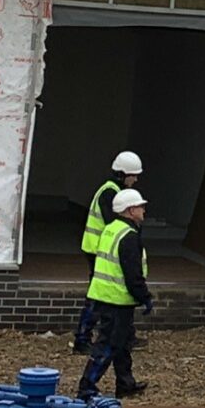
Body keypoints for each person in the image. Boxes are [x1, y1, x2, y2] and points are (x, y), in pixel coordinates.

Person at [79, 188, 152, 400]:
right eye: (140, 206)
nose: (144, 210)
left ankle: (125, 383)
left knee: (123, 343)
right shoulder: (129, 236)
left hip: (105, 296)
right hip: (117, 299)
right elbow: (132, 274)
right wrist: (145, 297)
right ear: (130, 210)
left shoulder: (111, 229)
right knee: (108, 344)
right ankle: (87, 386)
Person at [72, 151, 144, 355]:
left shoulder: (113, 191)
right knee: (98, 297)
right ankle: (83, 338)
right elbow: (116, 223)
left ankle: (123, 335)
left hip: (102, 250)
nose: (135, 179)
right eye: (133, 175)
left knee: (114, 293)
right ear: (123, 174)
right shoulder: (110, 193)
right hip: (100, 251)